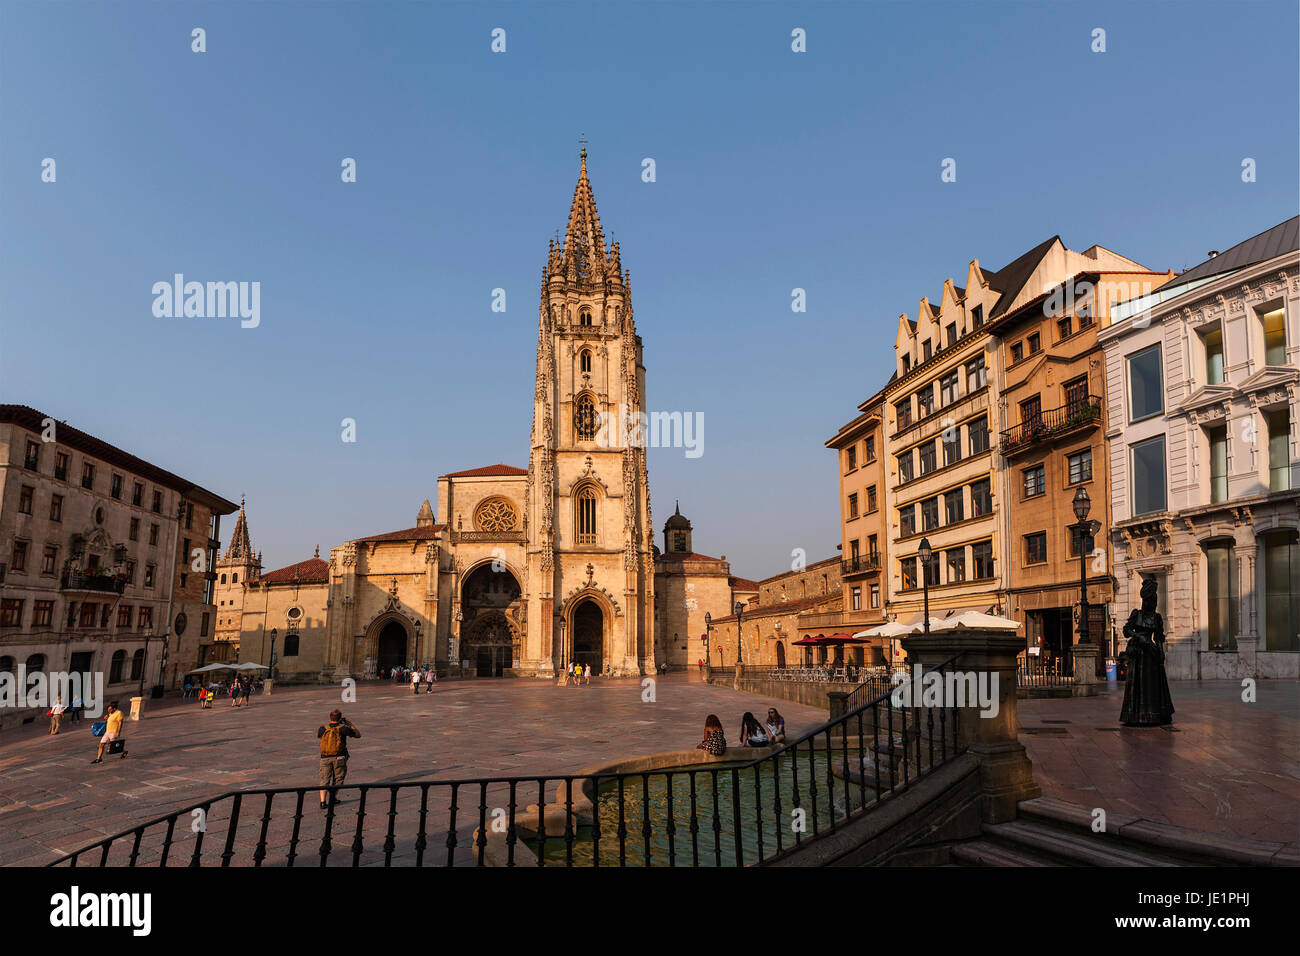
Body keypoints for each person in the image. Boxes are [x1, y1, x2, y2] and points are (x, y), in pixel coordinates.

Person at [1120, 576, 1175, 726]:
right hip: (1138, 654)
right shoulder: (1136, 614)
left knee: (1152, 685)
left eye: (1152, 601)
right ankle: (1135, 714)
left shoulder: (1156, 618)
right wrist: (1137, 636)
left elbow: (1158, 637)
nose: (1149, 604)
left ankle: (1153, 713)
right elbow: (1126, 631)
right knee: (1137, 685)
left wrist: (1161, 654)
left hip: (1151, 655)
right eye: (1147, 601)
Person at [317, 709, 361, 810]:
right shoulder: (343, 728)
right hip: (339, 757)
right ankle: (333, 798)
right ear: (340, 718)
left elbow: (321, 738)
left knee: (324, 779)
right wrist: (350, 724)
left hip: (325, 757)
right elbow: (358, 735)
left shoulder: (322, 728)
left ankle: (323, 801)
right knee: (338, 778)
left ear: (330, 717)